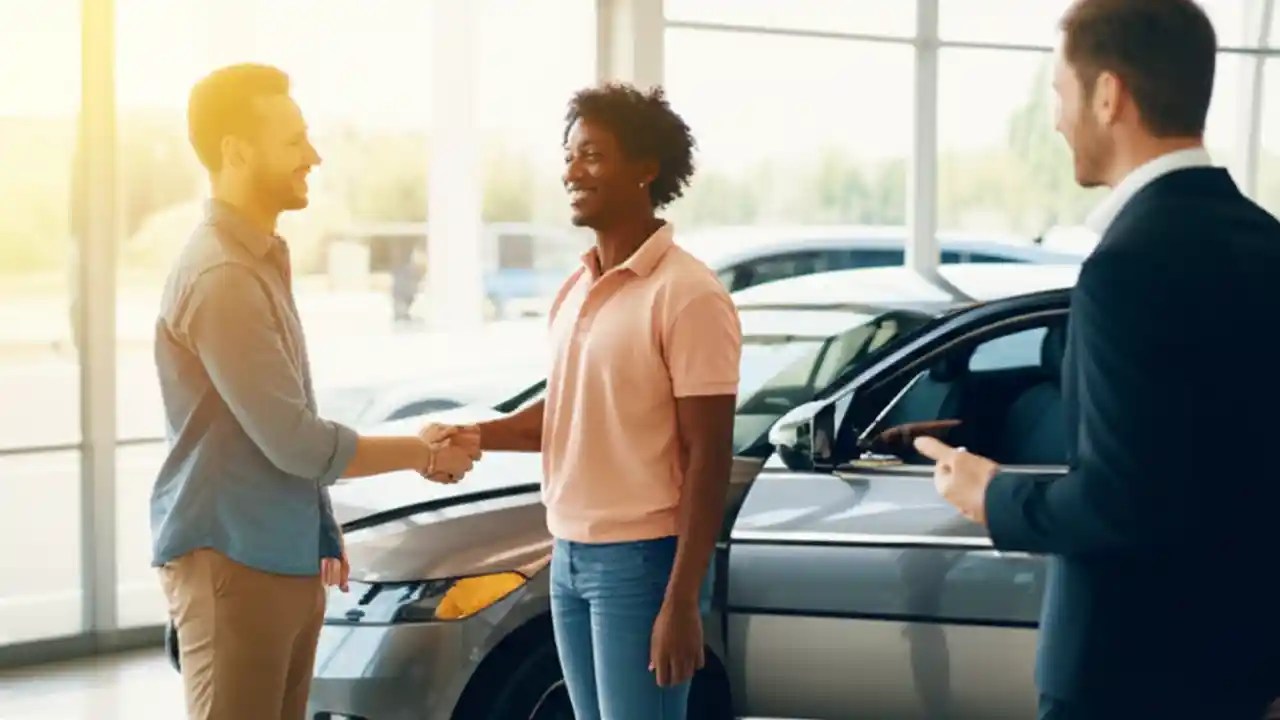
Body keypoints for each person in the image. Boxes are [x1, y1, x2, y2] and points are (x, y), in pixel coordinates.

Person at [914, 1, 1280, 718]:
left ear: (1108, 94)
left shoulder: (1127, 267)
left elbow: (1126, 501)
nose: (1055, 118)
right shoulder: (1266, 244)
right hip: (1241, 667)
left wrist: (989, 495)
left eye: (1059, 92)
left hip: (1125, 672)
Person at [151, 63, 479, 720]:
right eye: (294, 140)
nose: (313, 156)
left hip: (276, 560)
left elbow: (279, 421)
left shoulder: (258, 258)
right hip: (233, 567)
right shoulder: (221, 275)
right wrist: (419, 449)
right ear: (237, 152)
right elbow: (296, 441)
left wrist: (319, 533)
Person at [427, 83, 740, 719]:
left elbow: (708, 455)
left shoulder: (688, 294)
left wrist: (682, 601)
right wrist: (476, 435)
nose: (572, 170)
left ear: (646, 168)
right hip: (567, 553)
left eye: (592, 154)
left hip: (644, 563)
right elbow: (566, 414)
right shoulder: (577, 286)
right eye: (568, 155)